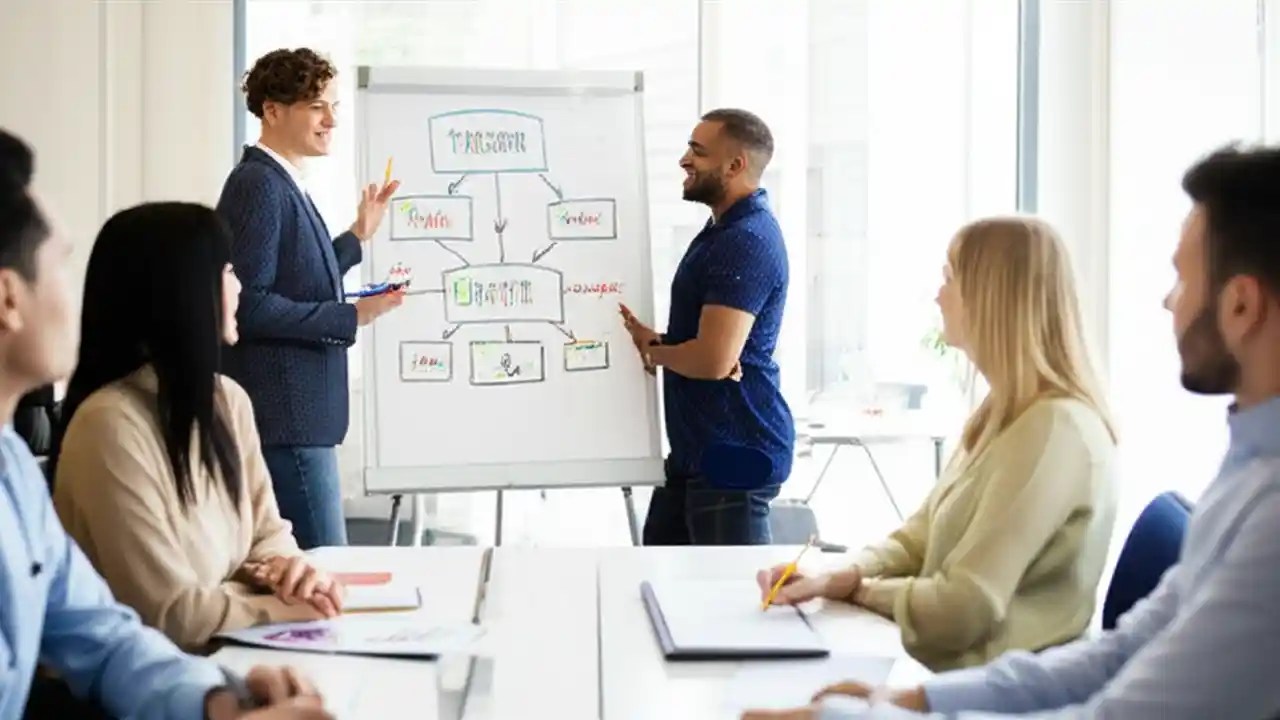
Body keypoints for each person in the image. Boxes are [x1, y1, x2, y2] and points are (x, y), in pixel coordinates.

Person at [742, 144, 1280, 719]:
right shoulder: (1245, 470)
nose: (1168, 301)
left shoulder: (1066, 433)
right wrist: (910, 700)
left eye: (1182, 278)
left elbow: (1116, 709)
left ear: (1241, 306)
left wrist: (862, 709)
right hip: (969, 680)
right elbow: (1121, 653)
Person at [0, 127, 332, 719]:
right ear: (8, 298)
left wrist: (222, 703)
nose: (77, 299)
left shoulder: (14, 471)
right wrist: (278, 605)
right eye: (59, 267)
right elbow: (166, 616)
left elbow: (107, 641)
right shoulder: (107, 425)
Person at [753, 216, 1119, 672]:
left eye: (949, 277)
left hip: (996, 691)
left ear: (992, 295)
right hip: (956, 673)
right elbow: (919, 537)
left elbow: (963, 608)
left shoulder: (1054, 432)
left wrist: (858, 591)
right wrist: (838, 574)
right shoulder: (1004, 411)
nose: (938, 295)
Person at [51, 202, 345, 653]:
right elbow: (170, 615)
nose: (239, 285)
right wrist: (290, 607)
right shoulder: (108, 425)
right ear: (184, 292)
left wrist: (292, 572)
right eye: (227, 270)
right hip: (148, 680)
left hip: (223, 659)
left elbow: (268, 535)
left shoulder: (228, 401)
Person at [216, 47, 403, 549]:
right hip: (287, 422)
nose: (331, 121)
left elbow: (299, 278)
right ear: (272, 111)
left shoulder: (282, 181)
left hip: (298, 423)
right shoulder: (259, 184)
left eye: (333, 107)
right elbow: (248, 305)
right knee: (326, 565)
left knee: (312, 569)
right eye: (317, 107)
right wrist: (350, 316)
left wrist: (356, 237)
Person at [619, 108, 793, 545]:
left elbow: (714, 360)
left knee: (726, 589)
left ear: (735, 165)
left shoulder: (745, 239)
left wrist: (655, 352)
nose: (684, 160)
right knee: (657, 575)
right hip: (698, 455)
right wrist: (663, 344)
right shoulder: (723, 231)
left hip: (733, 457)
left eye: (697, 151)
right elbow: (711, 350)